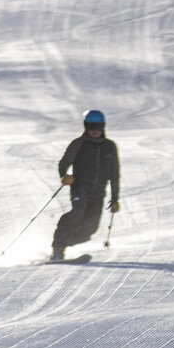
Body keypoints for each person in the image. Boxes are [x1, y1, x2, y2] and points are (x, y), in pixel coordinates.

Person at [53, 110, 121, 261]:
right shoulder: (79, 144)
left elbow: (114, 173)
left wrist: (115, 198)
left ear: (103, 127)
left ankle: (64, 242)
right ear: (86, 126)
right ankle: (58, 249)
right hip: (80, 188)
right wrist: (64, 175)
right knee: (77, 214)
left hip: (98, 192)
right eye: (91, 126)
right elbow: (64, 163)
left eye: (98, 126)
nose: (95, 130)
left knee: (91, 227)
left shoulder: (109, 146)